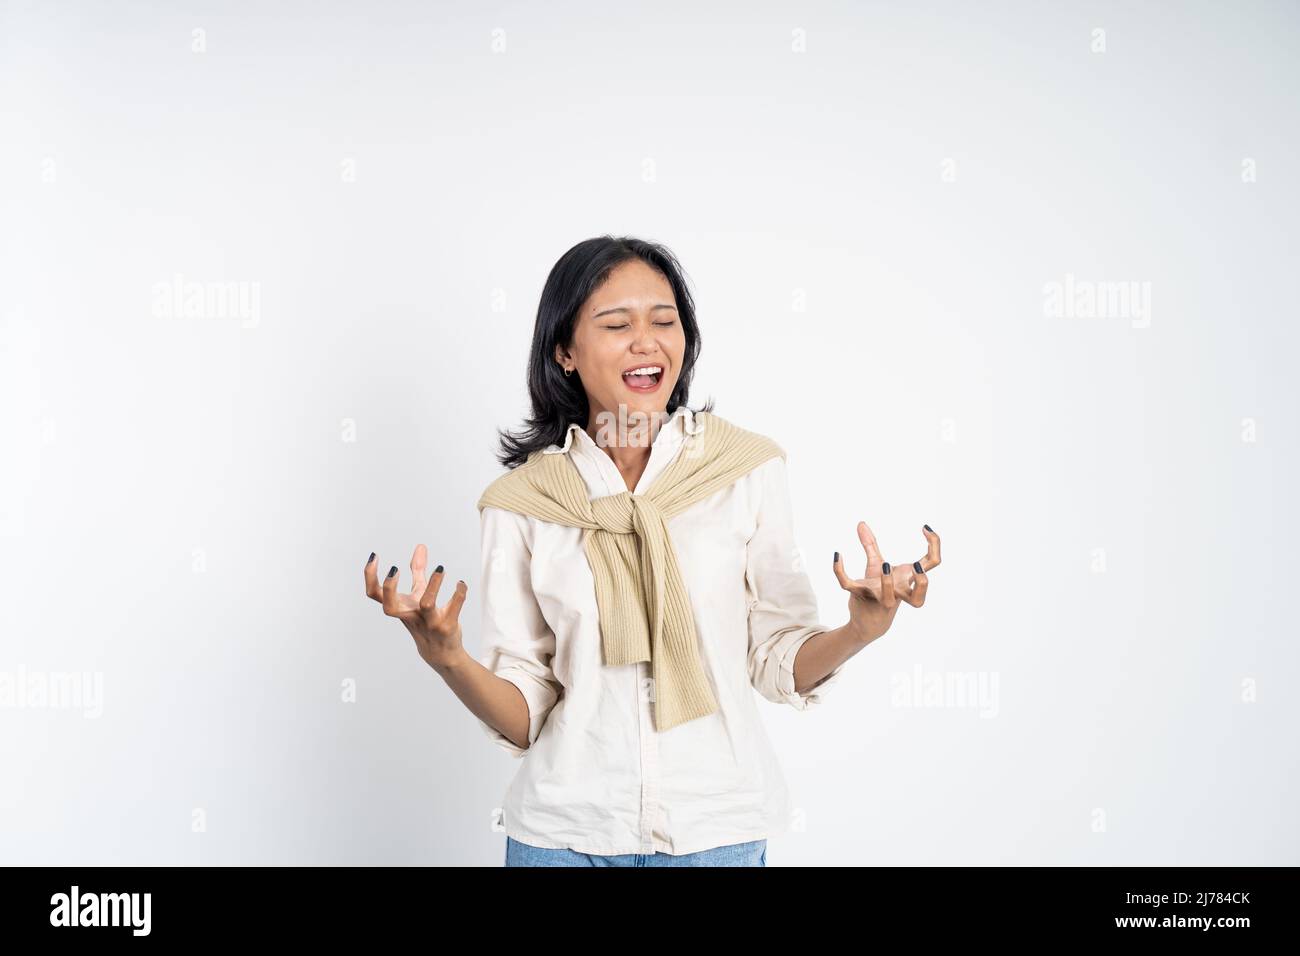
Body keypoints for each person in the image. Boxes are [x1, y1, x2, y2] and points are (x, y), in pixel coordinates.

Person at [364, 236, 940, 867]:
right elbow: (525, 708)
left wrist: (860, 630)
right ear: (564, 352)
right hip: (562, 838)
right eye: (616, 324)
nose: (647, 340)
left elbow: (778, 658)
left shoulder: (744, 470)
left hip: (716, 830)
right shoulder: (521, 502)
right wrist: (447, 658)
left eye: (665, 321)